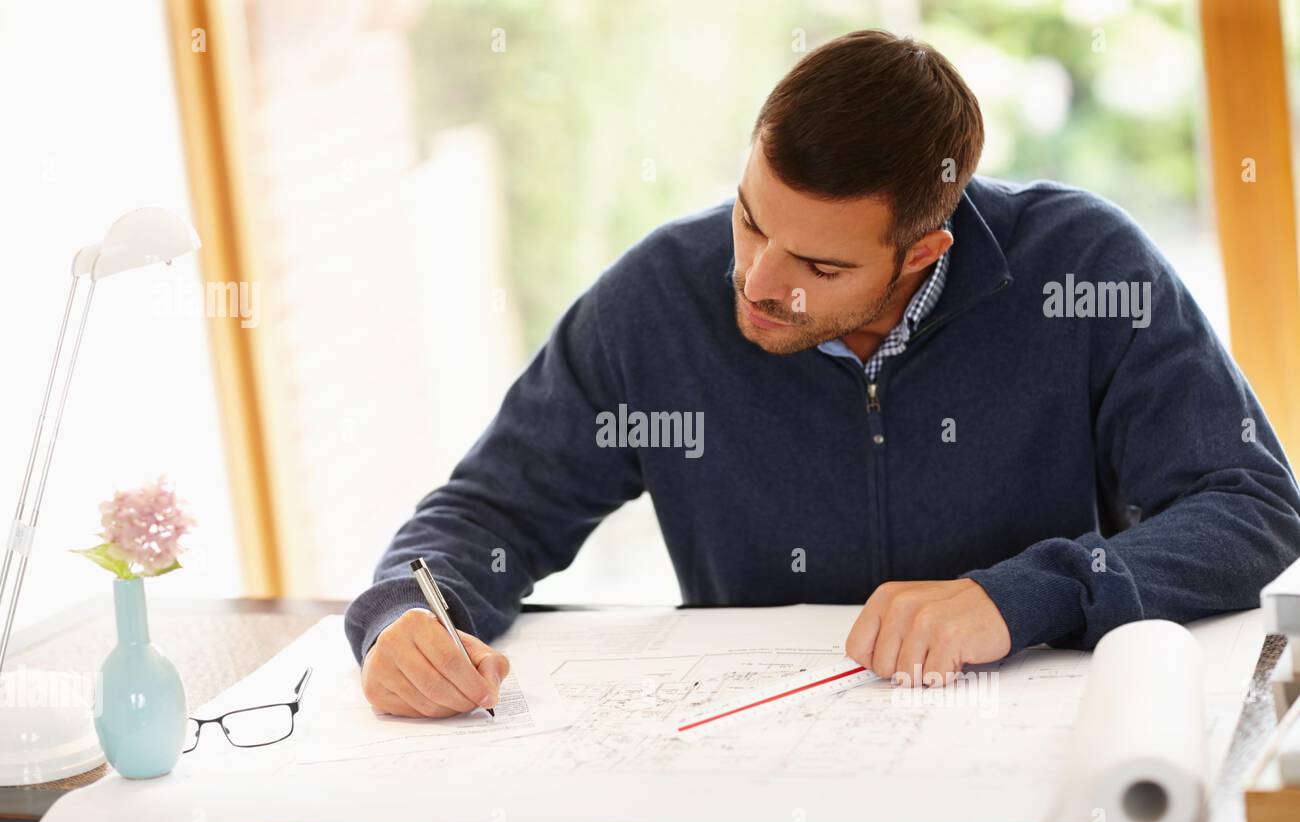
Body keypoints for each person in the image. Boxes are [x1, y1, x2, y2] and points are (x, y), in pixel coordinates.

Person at [344, 29, 1300, 719]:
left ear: (923, 254)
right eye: (752, 220)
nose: (759, 284)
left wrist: (1020, 596)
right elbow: (489, 515)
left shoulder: (1084, 268)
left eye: (821, 269)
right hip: (753, 773)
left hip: (1032, 762)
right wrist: (404, 616)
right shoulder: (654, 302)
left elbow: (1252, 501)